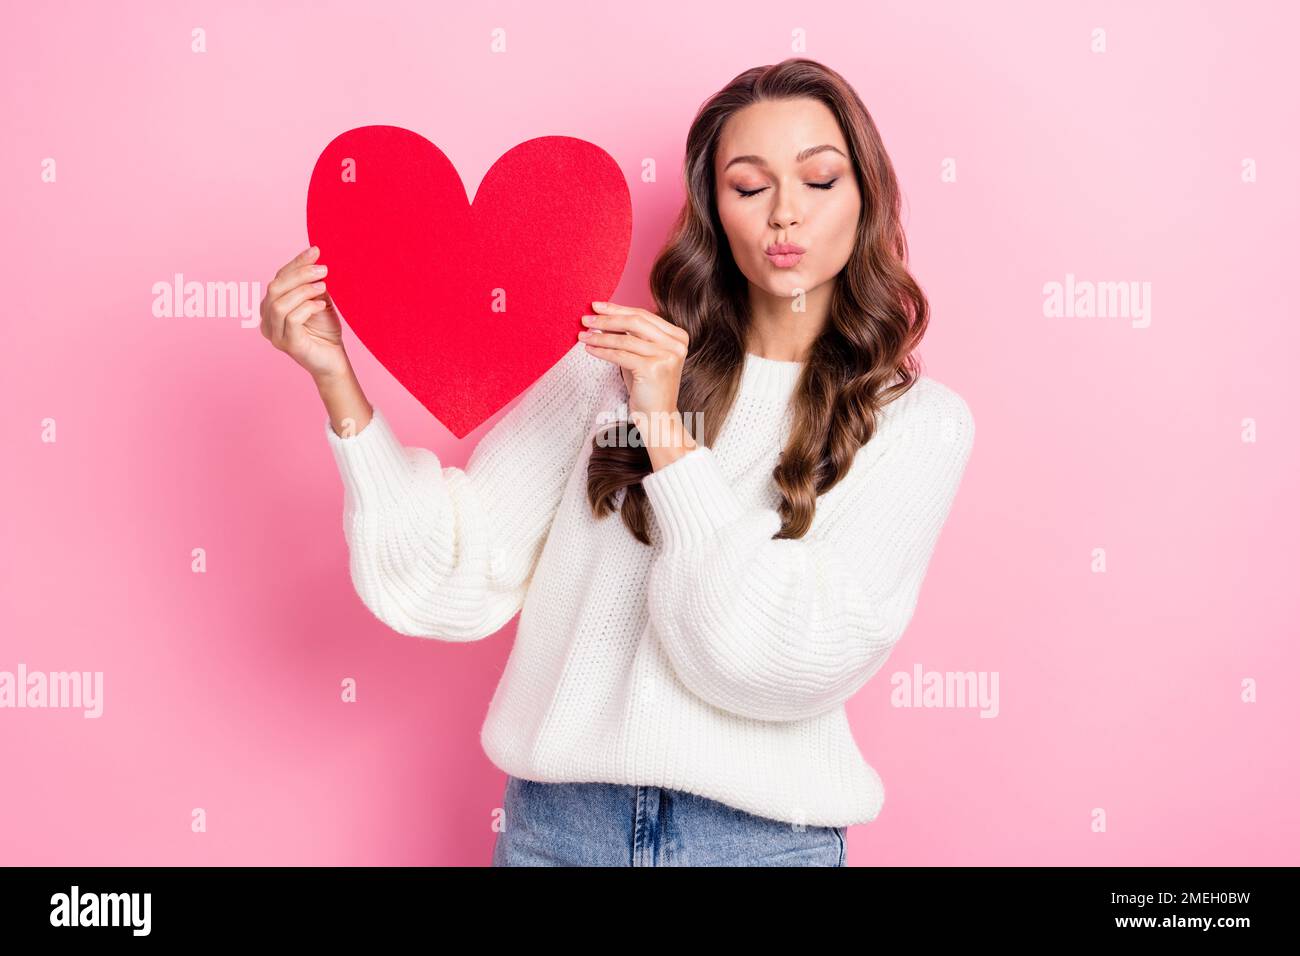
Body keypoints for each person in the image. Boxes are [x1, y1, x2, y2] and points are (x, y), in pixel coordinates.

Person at [259, 57, 975, 867]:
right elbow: (450, 576)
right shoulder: (607, 370)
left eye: (819, 180)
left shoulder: (916, 425)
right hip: (560, 833)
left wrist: (665, 432)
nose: (785, 215)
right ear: (713, 209)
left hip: (758, 843)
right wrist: (335, 378)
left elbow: (783, 659)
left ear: (866, 197)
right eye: (748, 187)